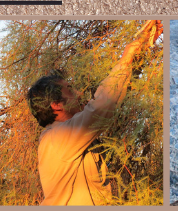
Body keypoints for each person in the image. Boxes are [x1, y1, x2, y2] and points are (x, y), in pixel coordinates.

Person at [28, 21, 162, 205]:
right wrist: (125, 58)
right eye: (70, 90)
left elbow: (114, 99)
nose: (79, 93)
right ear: (57, 104)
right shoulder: (56, 139)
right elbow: (100, 107)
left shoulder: (72, 137)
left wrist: (140, 52)